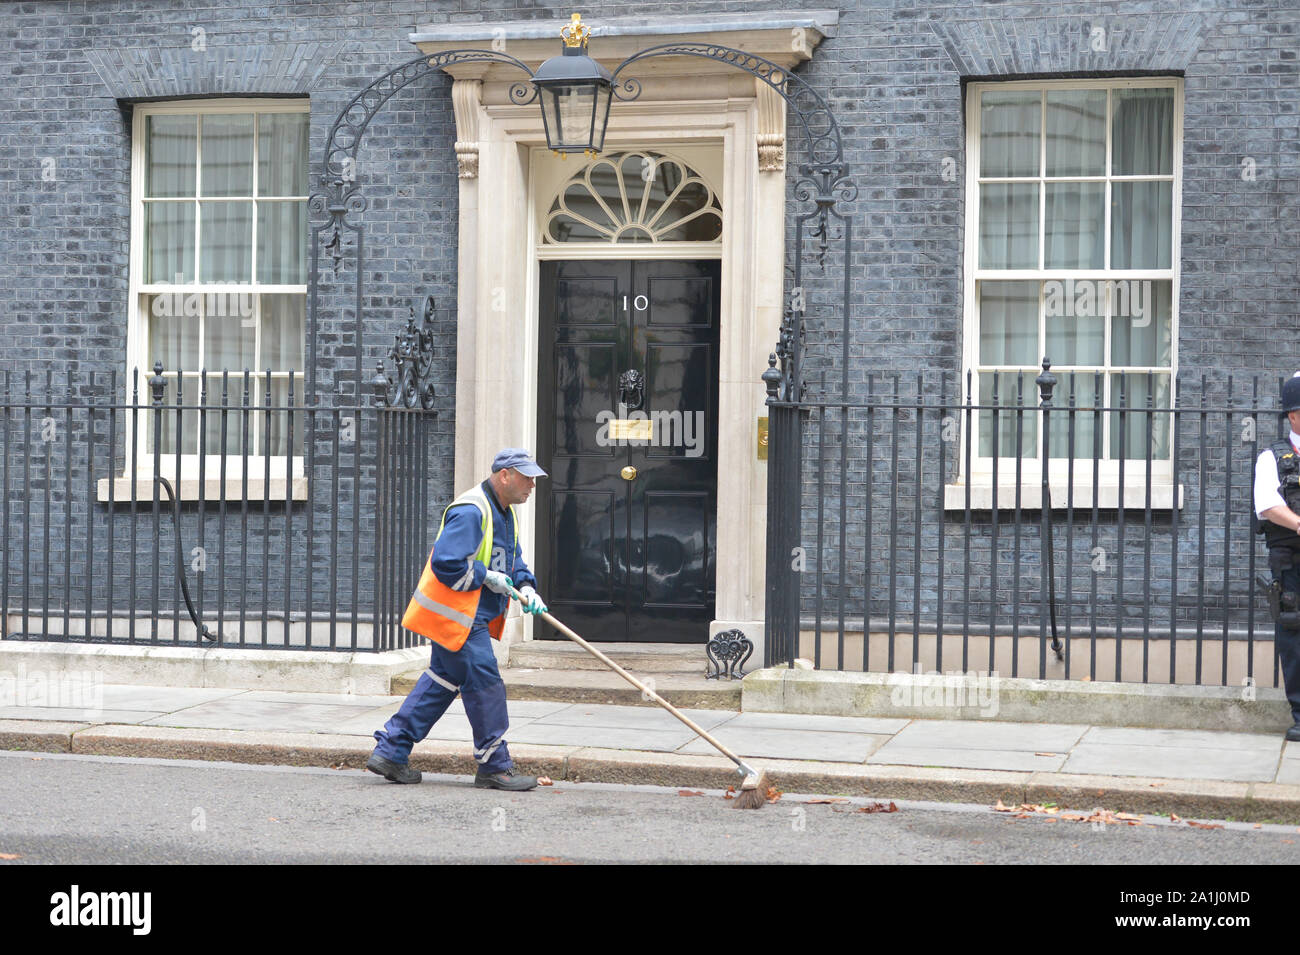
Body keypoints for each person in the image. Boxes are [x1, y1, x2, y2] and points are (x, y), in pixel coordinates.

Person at [367, 448, 550, 788]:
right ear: (505, 475)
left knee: (441, 683)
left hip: (470, 617)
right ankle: (494, 766)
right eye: (526, 477)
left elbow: (513, 562)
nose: (532, 485)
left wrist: (528, 589)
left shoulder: (506, 513)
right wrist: (486, 576)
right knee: (486, 684)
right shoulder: (471, 510)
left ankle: (392, 750)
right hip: (461, 618)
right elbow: (447, 563)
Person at [1254, 373, 1300, 741]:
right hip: (1291, 561)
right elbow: (1268, 505)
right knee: (1295, 637)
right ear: (1293, 415)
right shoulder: (1272, 457)